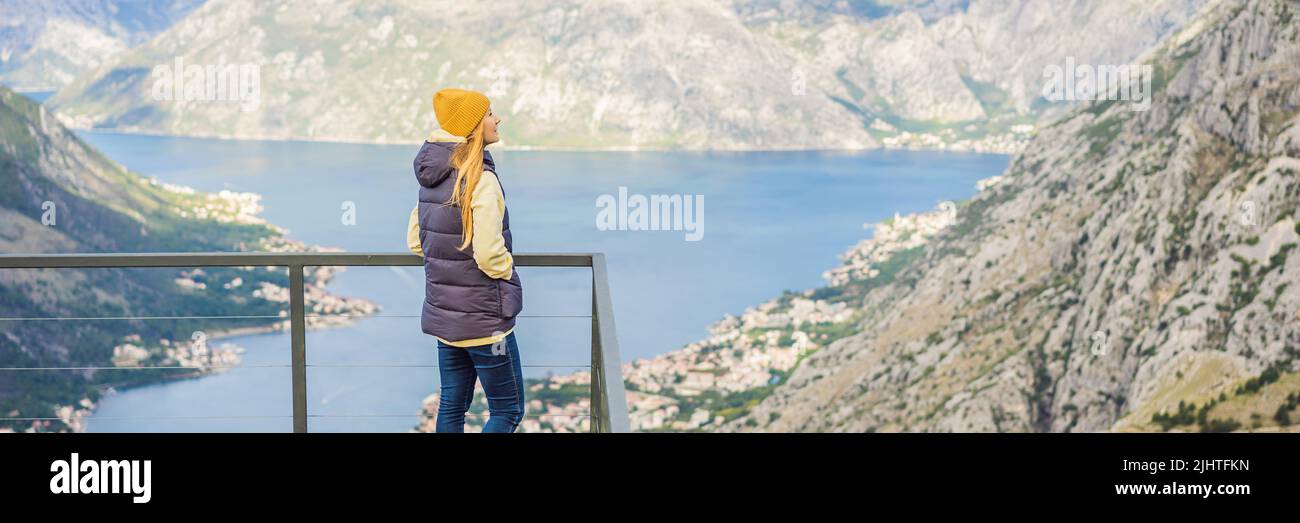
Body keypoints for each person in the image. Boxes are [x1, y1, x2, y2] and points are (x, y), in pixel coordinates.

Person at [406, 88, 525, 433]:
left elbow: (417, 242)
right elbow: (489, 255)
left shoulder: (432, 182)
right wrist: (507, 272)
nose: (497, 119)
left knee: (452, 406)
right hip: (486, 322)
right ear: (473, 126)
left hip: (446, 318)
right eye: (489, 114)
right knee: (507, 410)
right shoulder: (482, 181)